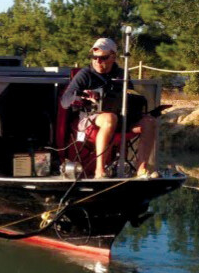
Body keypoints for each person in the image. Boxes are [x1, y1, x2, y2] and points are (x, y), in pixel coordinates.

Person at [61, 37, 157, 179]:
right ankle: (100, 171)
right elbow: (65, 100)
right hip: (90, 120)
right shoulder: (85, 74)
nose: (98, 61)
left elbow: (129, 96)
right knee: (109, 118)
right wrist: (83, 97)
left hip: (121, 118)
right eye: (94, 57)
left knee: (150, 121)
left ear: (113, 57)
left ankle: (141, 170)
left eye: (103, 58)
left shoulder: (121, 75)